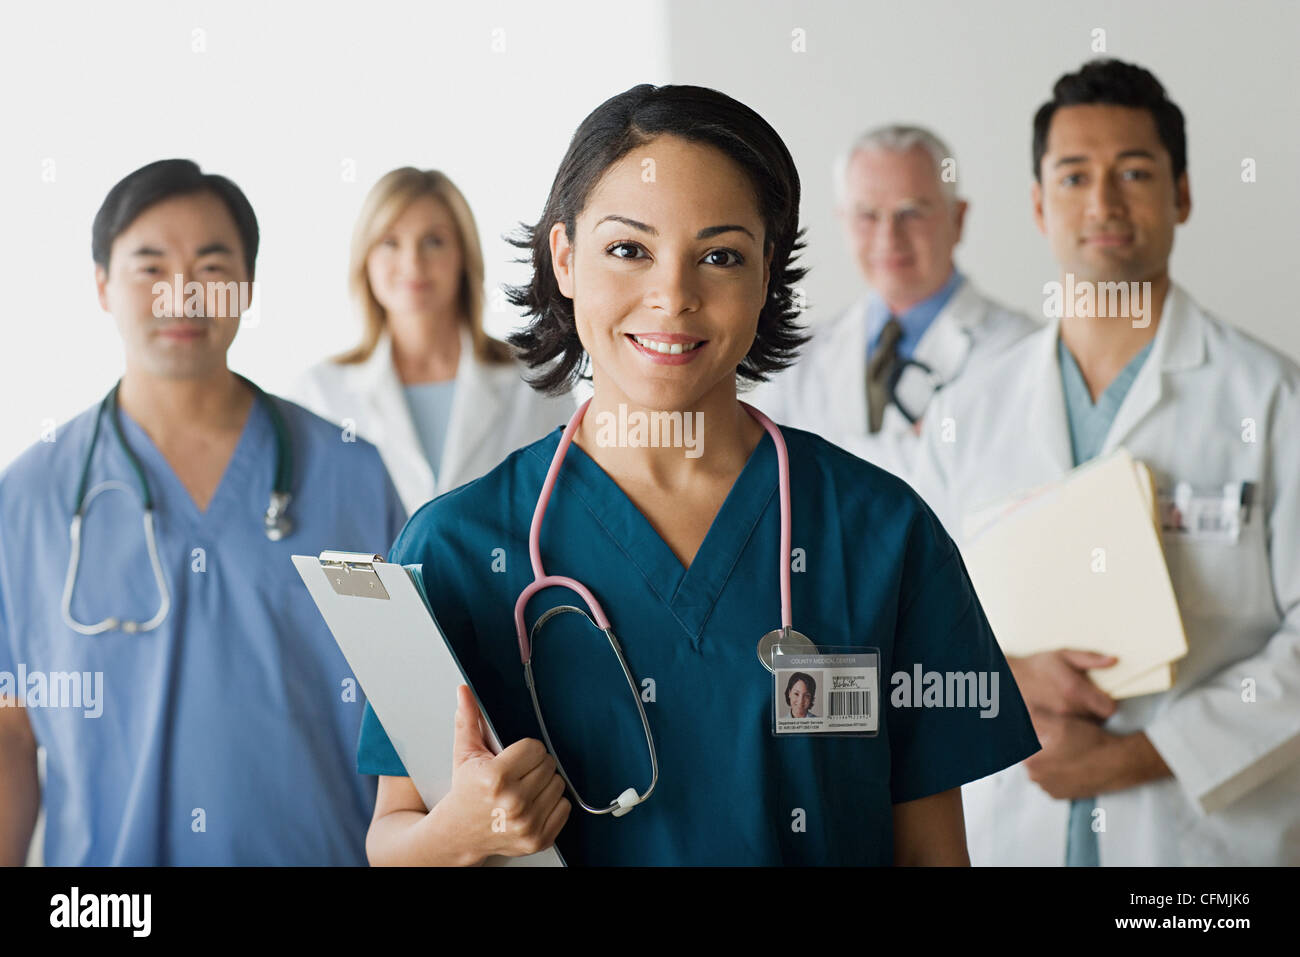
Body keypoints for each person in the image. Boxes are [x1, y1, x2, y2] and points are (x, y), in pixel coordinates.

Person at [355, 83, 1040, 866]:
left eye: (719, 255)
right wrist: (462, 832)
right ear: (566, 257)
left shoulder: (882, 531)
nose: (673, 295)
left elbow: (933, 854)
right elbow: (392, 838)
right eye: (628, 249)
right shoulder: (456, 545)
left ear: (766, 273)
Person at [911, 59, 1300, 866]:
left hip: (1200, 862)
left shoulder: (1271, 399)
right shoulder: (965, 413)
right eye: (1075, 175)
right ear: (1037, 202)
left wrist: (1139, 755)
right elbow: (909, 629)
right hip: (1006, 829)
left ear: (1182, 194)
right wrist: (1005, 677)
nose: (1104, 203)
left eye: (1134, 172)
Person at [0, 160, 407, 865]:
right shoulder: (31, 495)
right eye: (150, 267)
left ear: (247, 287)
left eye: (211, 265)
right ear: (102, 285)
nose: (182, 294)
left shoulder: (350, 475)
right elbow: (9, 733)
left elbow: (413, 710)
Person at [748, 125, 1036, 479]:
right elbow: (763, 477)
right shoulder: (798, 359)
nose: (889, 237)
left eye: (911, 213)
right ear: (843, 221)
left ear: (958, 219)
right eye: (867, 216)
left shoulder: (1021, 350)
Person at [291, 168, 572, 515]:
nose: (412, 263)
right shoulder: (320, 393)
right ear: (365, 260)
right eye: (390, 243)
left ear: (463, 257)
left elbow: (564, 511)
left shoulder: (535, 380)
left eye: (433, 241)